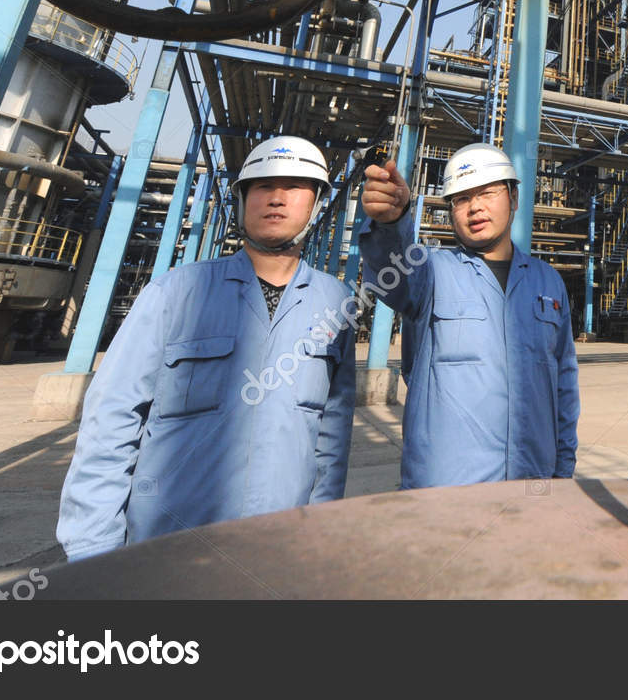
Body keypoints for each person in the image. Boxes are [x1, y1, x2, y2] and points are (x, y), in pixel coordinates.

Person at [57, 136, 356, 560]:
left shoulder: (335, 303)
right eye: (262, 186)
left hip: (281, 546)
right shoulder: (175, 292)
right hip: (169, 545)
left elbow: (331, 436)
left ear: (316, 203)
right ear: (242, 199)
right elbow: (112, 420)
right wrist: (93, 547)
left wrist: (320, 533)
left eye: (293, 186)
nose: (275, 198)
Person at [358, 142, 578, 489]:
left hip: (533, 484)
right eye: (461, 198)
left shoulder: (547, 282)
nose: (475, 207)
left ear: (514, 198)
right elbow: (391, 268)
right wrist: (391, 224)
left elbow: (564, 383)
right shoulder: (430, 271)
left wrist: (563, 470)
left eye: (488, 193)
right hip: (446, 487)